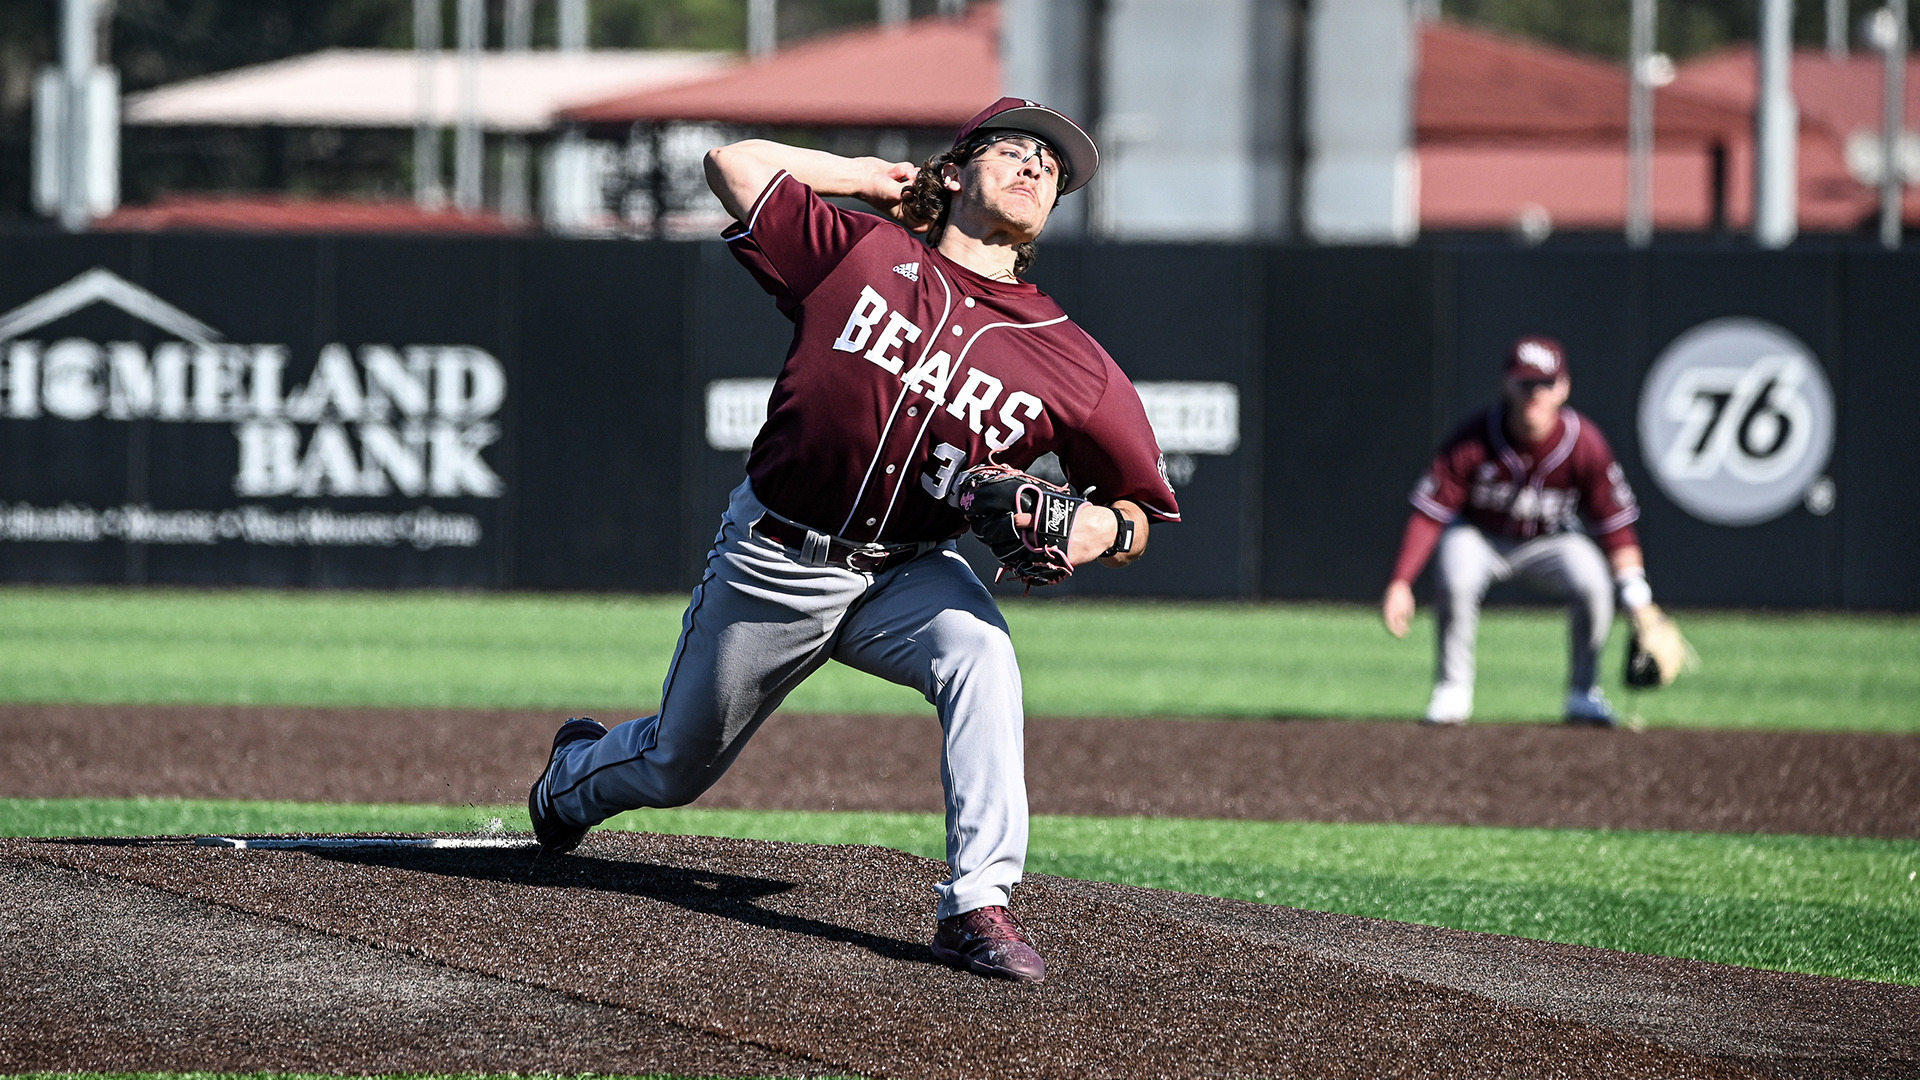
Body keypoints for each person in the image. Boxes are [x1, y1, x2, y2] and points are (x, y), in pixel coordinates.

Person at [526, 98, 1180, 984]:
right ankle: (570, 779)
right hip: (776, 559)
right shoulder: (861, 252)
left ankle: (979, 904)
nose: (1036, 167)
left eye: (1053, 168)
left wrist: (1096, 525)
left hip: (908, 575)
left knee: (983, 655)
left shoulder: (1074, 363)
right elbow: (734, 165)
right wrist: (873, 180)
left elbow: (1142, 511)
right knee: (678, 764)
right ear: (952, 171)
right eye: (1015, 149)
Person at [1381, 336, 1655, 727]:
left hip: (1551, 543)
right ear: (1506, 384)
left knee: (1594, 578)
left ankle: (1584, 694)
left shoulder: (1585, 443)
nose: (1535, 394)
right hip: (1481, 538)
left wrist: (1636, 593)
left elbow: (1615, 524)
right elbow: (1430, 514)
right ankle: (1452, 690)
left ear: (1564, 388)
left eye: (1545, 384)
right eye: (1525, 383)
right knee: (1456, 567)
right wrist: (1400, 581)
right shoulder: (1474, 438)